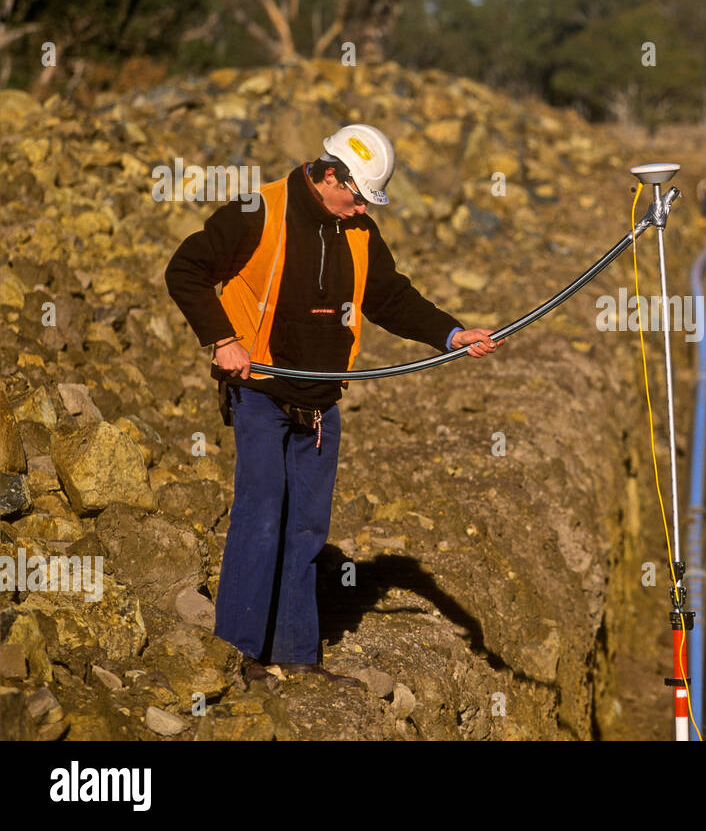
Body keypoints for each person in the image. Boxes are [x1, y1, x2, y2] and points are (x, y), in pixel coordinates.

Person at [165, 123, 502, 687]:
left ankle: (297, 656)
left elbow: (391, 298)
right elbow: (186, 270)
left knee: (306, 529)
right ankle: (240, 652)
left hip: (321, 404)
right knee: (262, 515)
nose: (359, 210)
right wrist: (223, 341)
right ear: (329, 175)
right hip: (261, 393)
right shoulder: (259, 211)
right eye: (356, 196)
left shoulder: (359, 231)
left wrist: (452, 334)